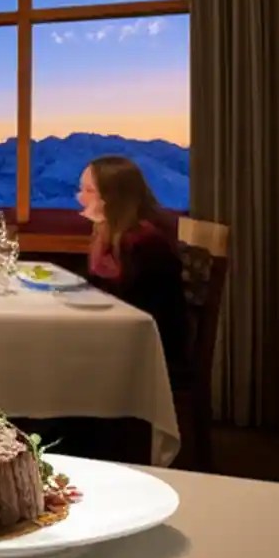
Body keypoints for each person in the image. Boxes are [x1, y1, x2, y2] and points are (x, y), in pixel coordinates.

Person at [77, 155, 191, 388]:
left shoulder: (145, 241)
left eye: (89, 190)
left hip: (151, 345)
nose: (81, 198)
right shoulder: (117, 233)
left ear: (112, 198)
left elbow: (129, 302)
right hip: (123, 334)